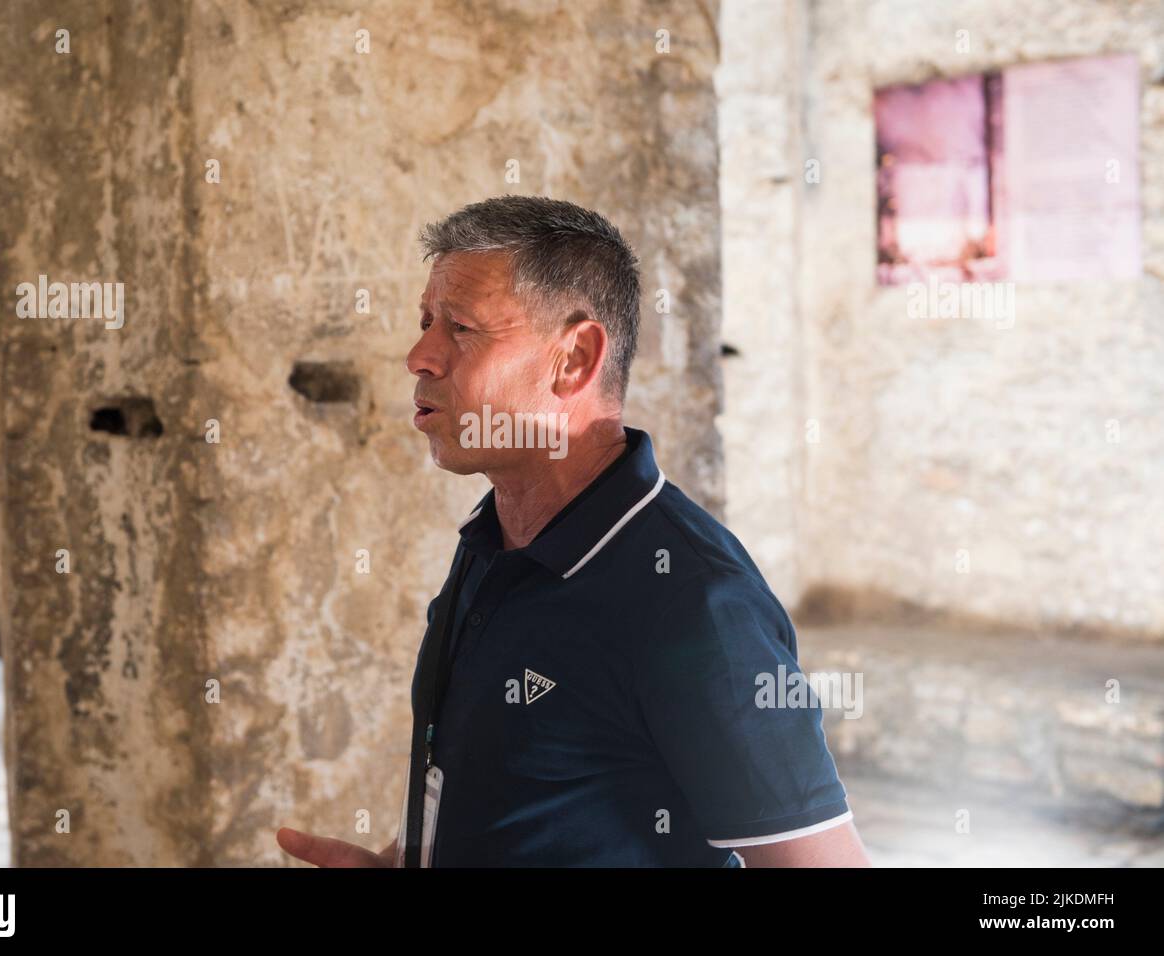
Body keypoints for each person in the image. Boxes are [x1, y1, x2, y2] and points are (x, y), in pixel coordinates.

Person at [278, 195, 870, 867]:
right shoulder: (492, 540)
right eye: (424, 321)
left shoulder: (695, 602)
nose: (419, 355)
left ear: (574, 359)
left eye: (461, 328)